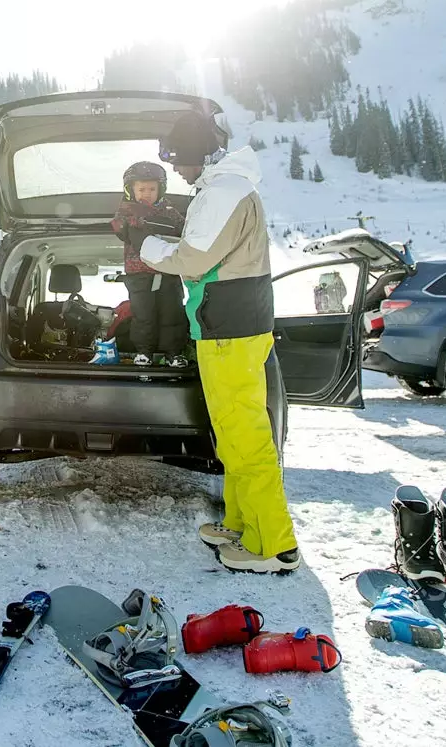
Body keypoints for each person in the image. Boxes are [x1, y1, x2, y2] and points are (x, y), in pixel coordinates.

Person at [134, 109, 300, 574]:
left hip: (232, 330)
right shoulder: (223, 188)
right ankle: (241, 523)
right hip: (225, 327)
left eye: (177, 160)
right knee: (231, 434)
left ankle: (273, 544)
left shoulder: (224, 191)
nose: (175, 170)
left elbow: (193, 258)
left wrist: (147, 247)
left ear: (195, 153)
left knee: (246, 437)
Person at [110, 161, 189, 366]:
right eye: (142, 189)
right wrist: (136, 220)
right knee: (143, 315)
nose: (147, 193)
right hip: (139, 274)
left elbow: (183, 228)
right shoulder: (127, 210)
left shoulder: (168, 209)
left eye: (152, 189)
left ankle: (174, 353)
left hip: (167, 270)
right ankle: (143, 352)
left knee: (172, 313)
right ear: (131, 190)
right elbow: (119, 228)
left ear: (160, 189)